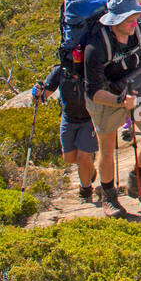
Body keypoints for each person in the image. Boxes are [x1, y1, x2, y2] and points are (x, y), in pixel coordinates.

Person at [82, 0, 141, 217]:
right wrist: (119, 101)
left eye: (135, 18)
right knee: (108, 148)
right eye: (127, 20)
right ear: (114, 21)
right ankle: (108, 196)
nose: (132, 24)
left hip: (134, 88)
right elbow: (92, 90)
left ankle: (137, 181)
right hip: (105, 97)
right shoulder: (96, 47)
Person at [33, 55, 98, 203]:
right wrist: (38, 94)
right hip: (68, 118)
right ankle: (90, 169)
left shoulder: (90, 69)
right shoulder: (60, 71)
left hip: (88, 119)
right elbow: (44, 95)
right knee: (69, 158)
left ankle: (85, 189)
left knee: (83, 157)